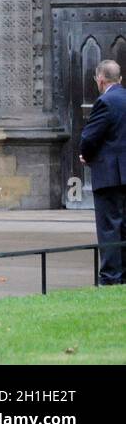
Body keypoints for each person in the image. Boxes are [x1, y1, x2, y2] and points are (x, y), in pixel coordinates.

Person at [79, 60, 126, 285]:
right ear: (120, 79)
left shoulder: (105, 102)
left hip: (110, 175)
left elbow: (89, 136)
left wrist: (86, 155)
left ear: (100, 79)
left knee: (109, 227)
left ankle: (110, 276)